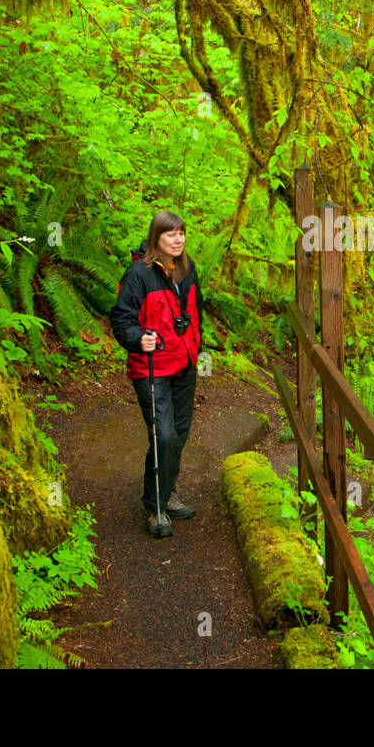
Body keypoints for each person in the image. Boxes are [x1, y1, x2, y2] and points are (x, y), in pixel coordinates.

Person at [109, 211, 205, 538]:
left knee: (178, 432)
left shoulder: (188, 271)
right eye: (170, 234)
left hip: (184, 365)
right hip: (151, 369)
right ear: (156, 238)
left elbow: (196, 314)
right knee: (162, 435)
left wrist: (194, 345)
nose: (177, 240)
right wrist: (139, 338)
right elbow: (122, 319)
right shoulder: (139, 274)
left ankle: (169, 491)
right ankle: (155, 506)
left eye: (181, 233)